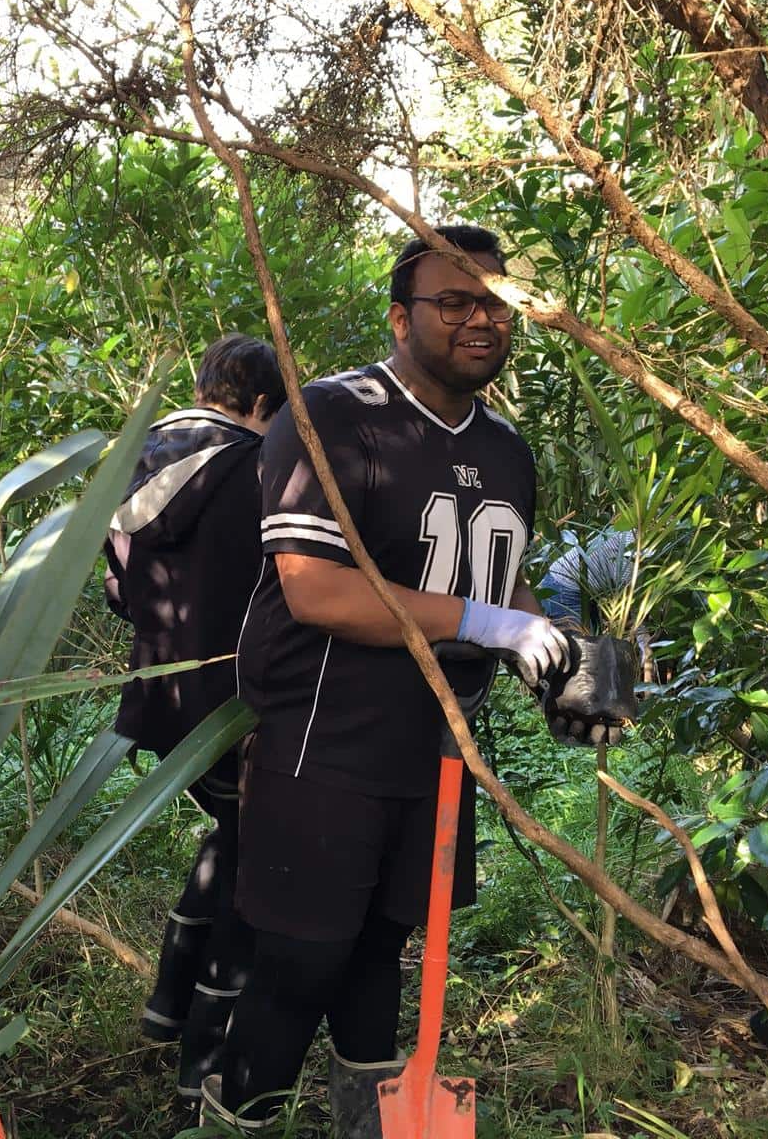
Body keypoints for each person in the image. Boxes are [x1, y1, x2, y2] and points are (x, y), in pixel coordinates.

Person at [205, 226, 571, 1133]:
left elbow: (502, 580)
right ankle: (231, 1115)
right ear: (402, 318)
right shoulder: (334, 418)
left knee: (382, 951)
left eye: (496, 303)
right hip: (325, 741)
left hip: (437, 748)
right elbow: (316, 590)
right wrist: (491, 624)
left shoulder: (509, 451)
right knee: (300, 963)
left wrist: (554, 663)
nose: (481, 320)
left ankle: (366, 1117)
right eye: (456, 301)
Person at [104, 333, 287, 1099]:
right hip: (238, 705)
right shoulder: (255, 468)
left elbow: (118, 591)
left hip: (162, 698)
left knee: (234, 835)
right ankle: (205, 1060)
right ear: (261, 405)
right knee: (257, 861)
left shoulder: (140, 456)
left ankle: (168, 1004)